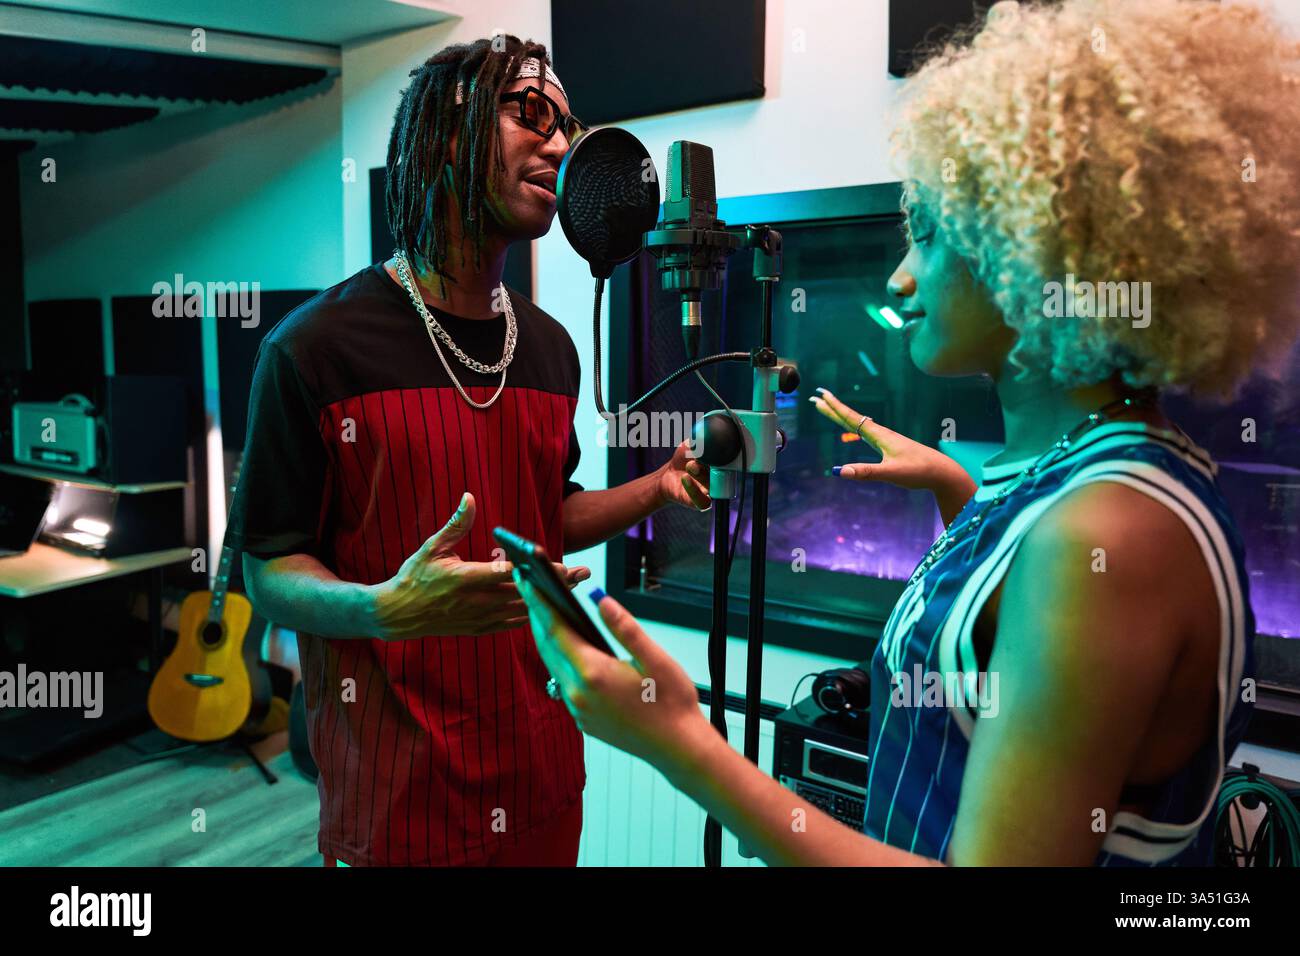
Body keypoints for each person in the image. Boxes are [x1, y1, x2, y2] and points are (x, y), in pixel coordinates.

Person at [515, 0, 1300, 866]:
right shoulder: (1086, 479)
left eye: (924, 236)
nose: (900, 272)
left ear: (1033, 251)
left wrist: (678, 739)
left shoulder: (1112, 537)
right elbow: (1019, 631)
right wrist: (956, 493)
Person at [234, 35, 710, 867]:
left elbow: (547, 513)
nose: (561, 145)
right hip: (397, 805)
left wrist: (658, 486)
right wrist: (383, 607)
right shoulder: (315, 350)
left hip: (541, 780)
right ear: (449, 134)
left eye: (567, 123)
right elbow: (268, 569)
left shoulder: (552, 350)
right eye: (532, 112)